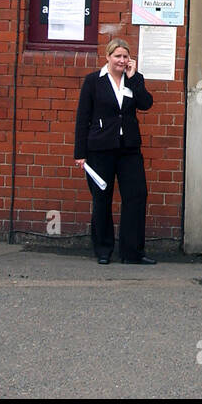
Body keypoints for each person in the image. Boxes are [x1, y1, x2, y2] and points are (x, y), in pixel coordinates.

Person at [73, 37, 155, 264]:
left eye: (125, 56)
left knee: (136, 196)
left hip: (128, 149)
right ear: (108, 57)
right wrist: (80, 153)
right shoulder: (93, 82)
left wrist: (134, 78)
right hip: (100, 149)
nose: (121, 60)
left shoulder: (133, 80)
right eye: (117, 56)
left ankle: (132, 252)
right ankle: (103, 250)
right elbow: (83, 118)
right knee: (102, 199)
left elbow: (146, 104)